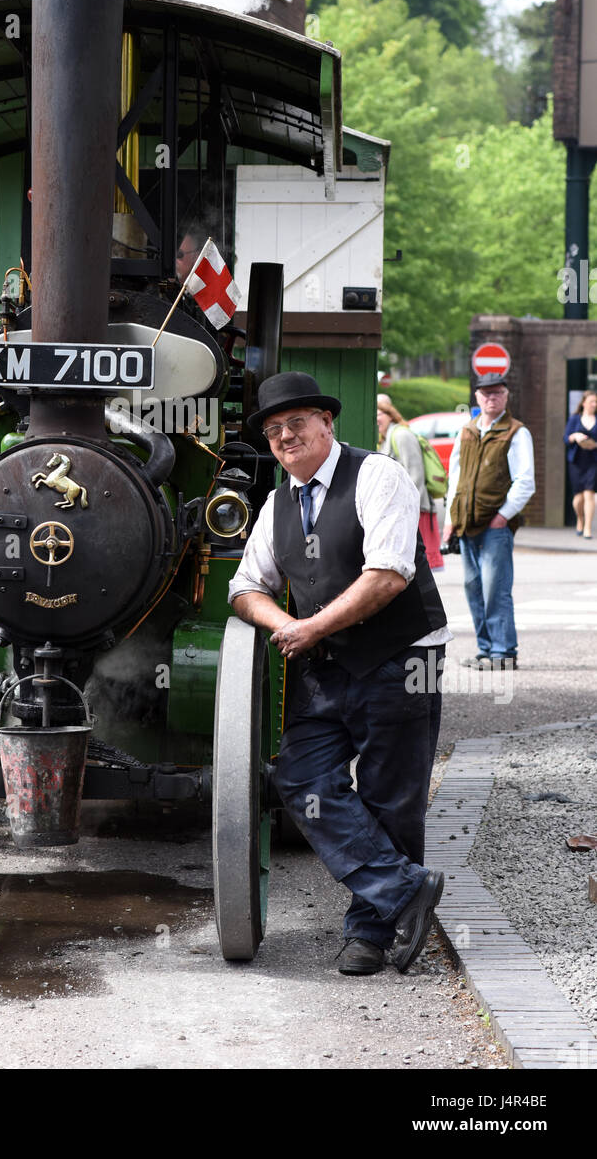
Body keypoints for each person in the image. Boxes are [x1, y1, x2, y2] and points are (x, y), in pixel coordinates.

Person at [229, 371, 450, 976]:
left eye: (296, 423)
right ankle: (406, 891)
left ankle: (370, 936)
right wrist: (284, 622)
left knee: (391, 797)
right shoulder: (276, 503)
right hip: (327, 664)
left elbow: (388, 574)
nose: (285, 437)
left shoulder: (379, 476)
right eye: (274, 431)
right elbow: (246, 588)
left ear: (328, 423)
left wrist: (313, 626)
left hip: (406, 657)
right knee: (300, 779)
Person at [442, 372, 535, 670]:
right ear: (477, 397)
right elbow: (455, 479)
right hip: (466, 523)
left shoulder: (516, 432)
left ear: (506, 396)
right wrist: (450, 520)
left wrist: (502, 517)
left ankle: (504, 652)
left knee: (496, 588)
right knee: (473, 587)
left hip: (495, 525)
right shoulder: (467, 431)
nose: (491, 398)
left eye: (497, 393)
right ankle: (486, 650)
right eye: (486, 394)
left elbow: (525, 482)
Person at [377, 395, 444, 569]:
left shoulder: (401, 435)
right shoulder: (384, 438)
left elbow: (415, 477)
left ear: (390, 414)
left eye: (380, 414)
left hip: (414, 512)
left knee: (418, 568)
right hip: (400, 511)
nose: (376, 419)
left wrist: (409, 513)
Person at [564, 390, 597, 539]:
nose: (594, 405)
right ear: (584, 403)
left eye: (596, 402)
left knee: (589, 494)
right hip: (576, 461)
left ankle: (588, 528)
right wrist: (575, 436)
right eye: (591, 401)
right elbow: (565, 438)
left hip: (593, 461)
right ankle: (580, 519)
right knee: (578, 498)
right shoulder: (574, 419)